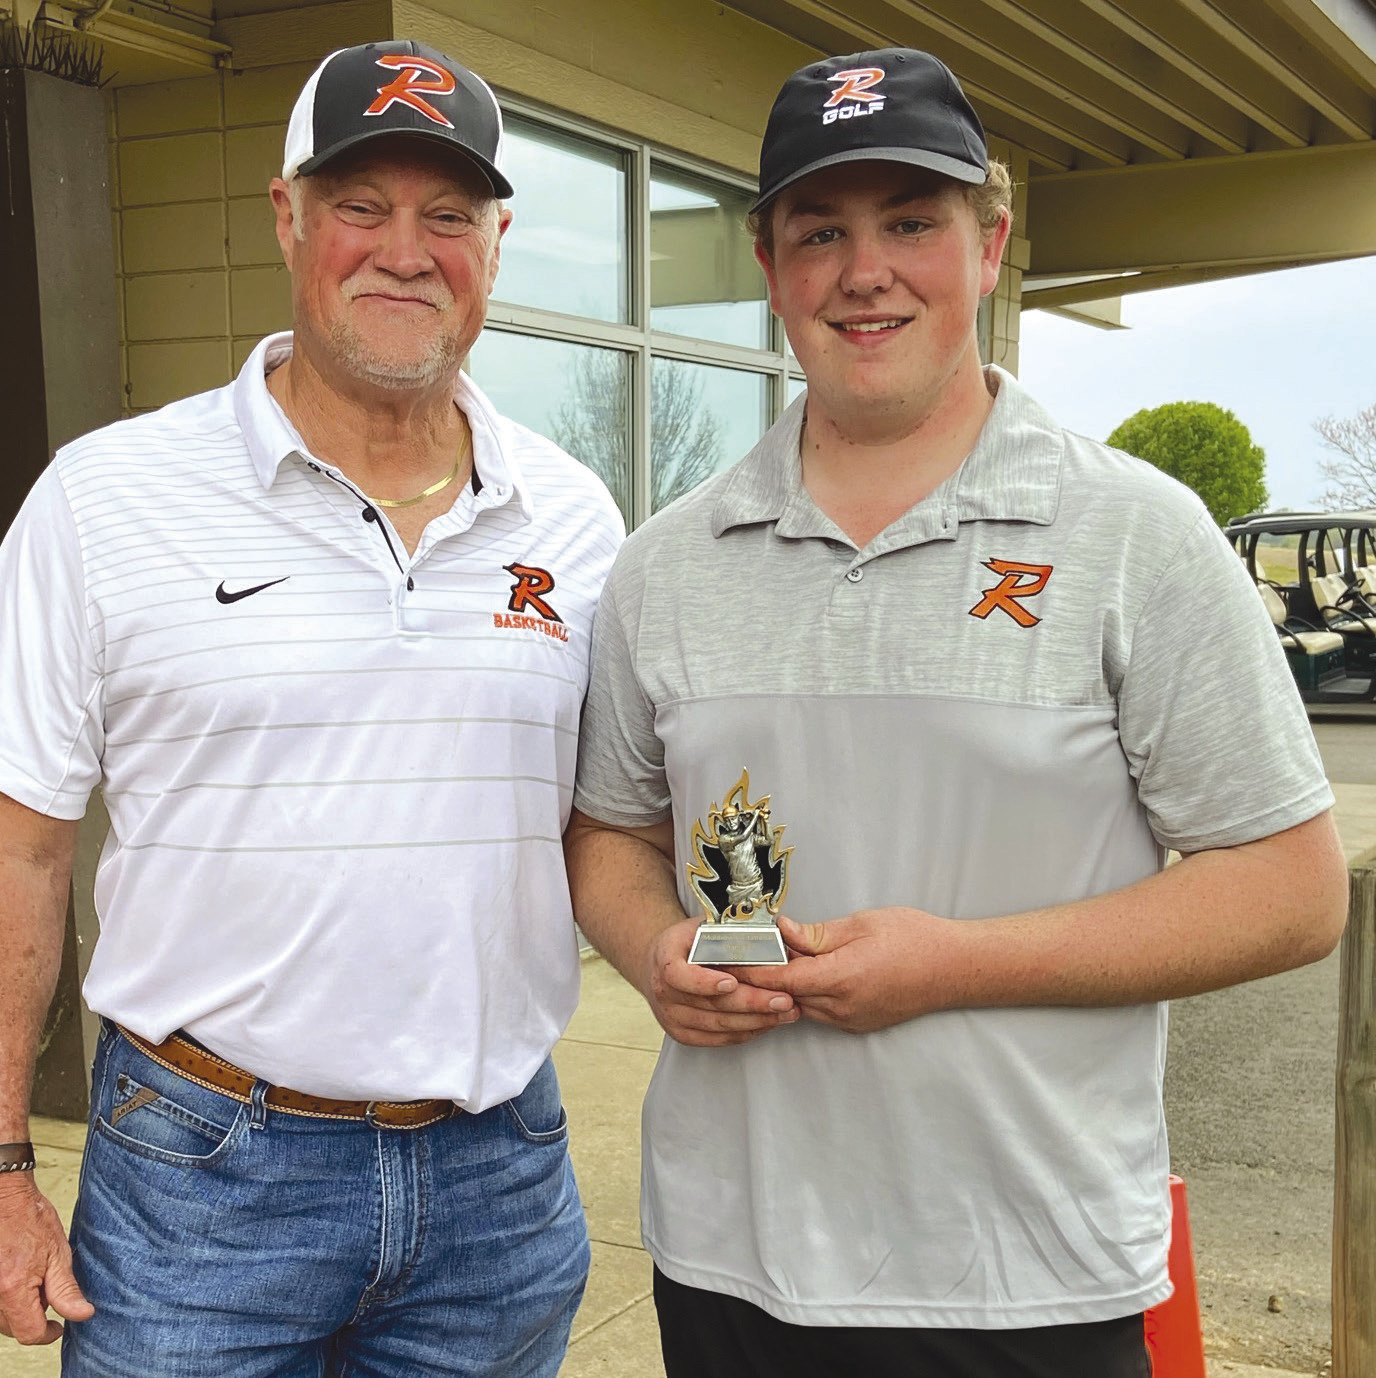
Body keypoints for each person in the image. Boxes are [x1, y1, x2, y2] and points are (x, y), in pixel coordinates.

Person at [564, 46, 1346, 1378]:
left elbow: (1290, 888)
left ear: (988, 245)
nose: (865, 270)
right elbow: (610, 833)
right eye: (822, 230)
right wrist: (653, 950)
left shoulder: (1132, 536)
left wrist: (954, 964)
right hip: (730, 1260)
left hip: (1031, 1279)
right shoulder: (669, 561)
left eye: (911, 221)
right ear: (771, 266)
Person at [0, 39, 623, 1377]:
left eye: (448, 215)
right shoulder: (107, 498)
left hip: (500, 1178)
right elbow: (11, 845)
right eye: (362, 204)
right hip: (202, 1177)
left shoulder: (576, 519)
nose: (404, 249)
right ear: (288, 216)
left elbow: (613, 824)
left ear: (498, 241)